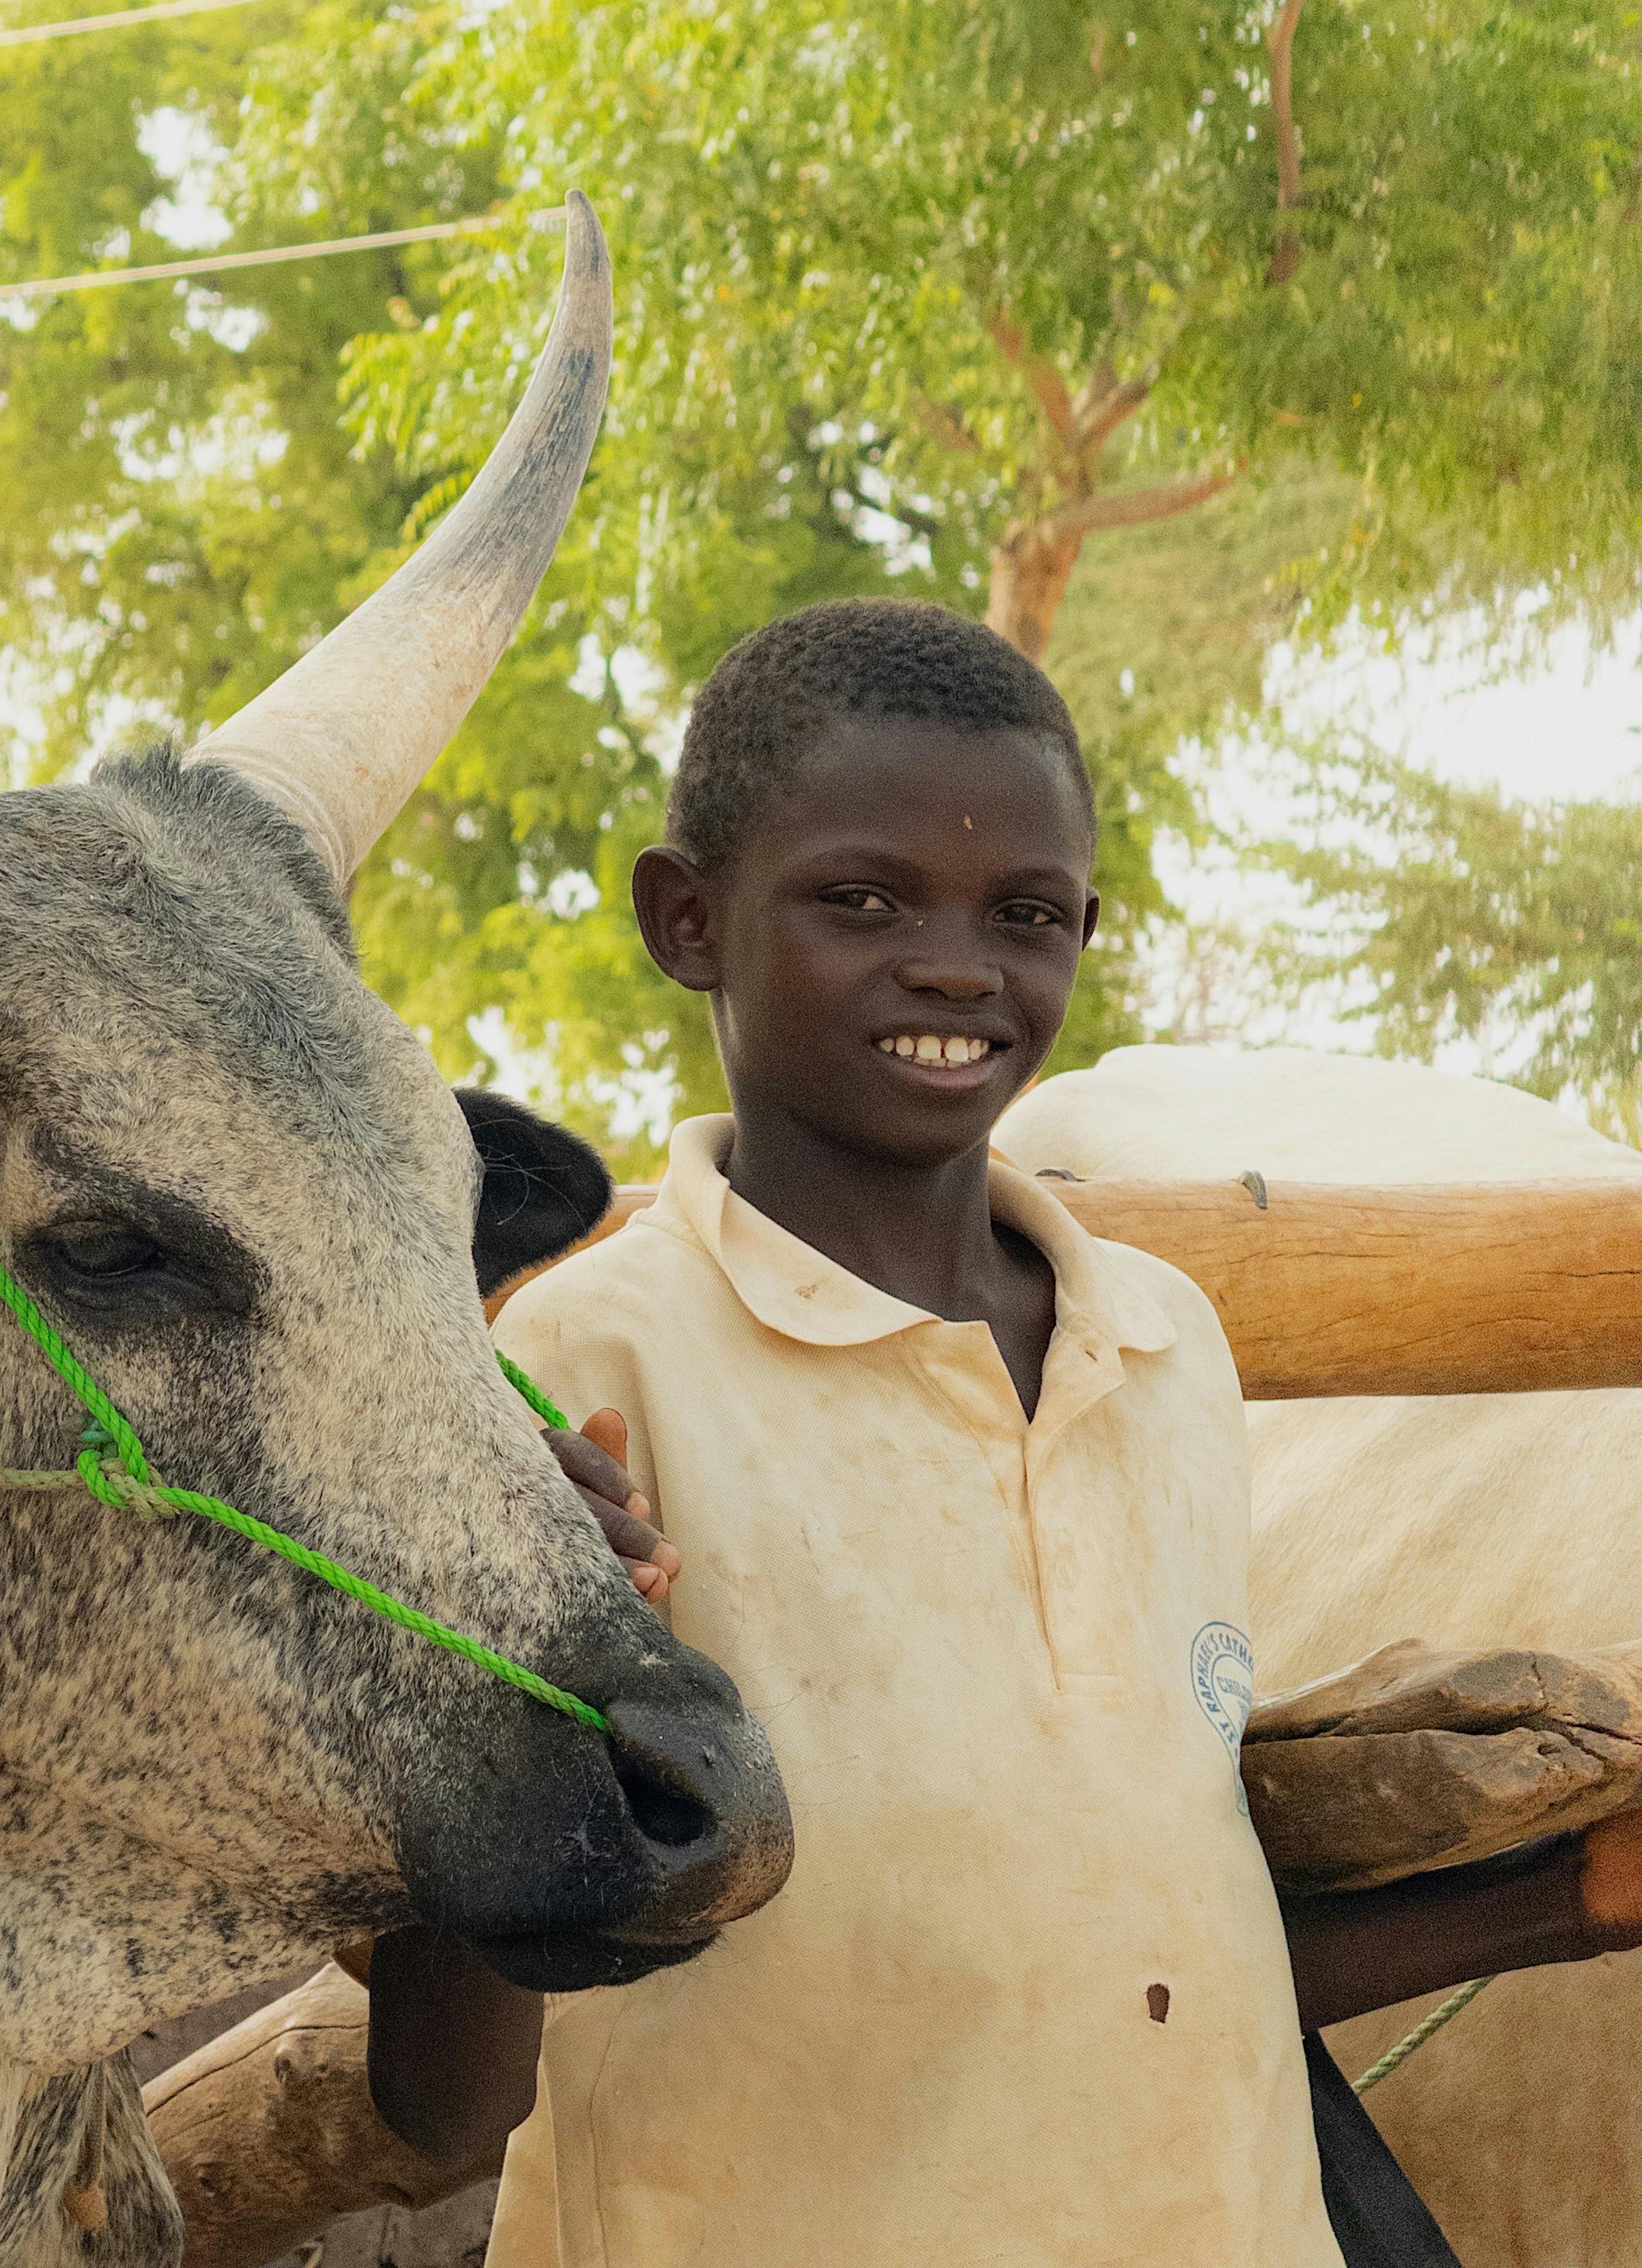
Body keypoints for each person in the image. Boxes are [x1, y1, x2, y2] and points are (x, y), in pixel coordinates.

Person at [365, 598, 1642, 2268]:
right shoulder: (595, 1360)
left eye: (1023, 912)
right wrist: (503, 1650)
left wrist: (1574, 1903)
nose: (957, 963)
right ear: (687, 920)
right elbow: (443, 2104)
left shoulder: (1168, 1351)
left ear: (1086, 934)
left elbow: (1150, 1966)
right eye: (861, 898)